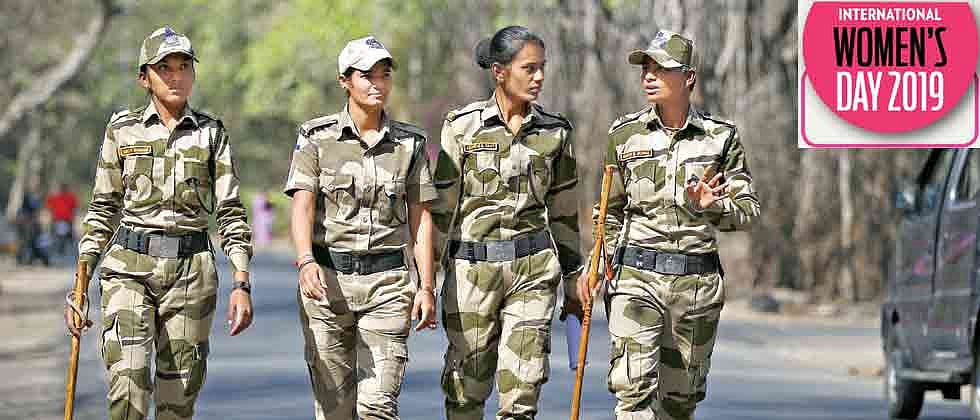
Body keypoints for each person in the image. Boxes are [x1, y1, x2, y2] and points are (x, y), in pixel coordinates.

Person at [65, 27, 254, 420]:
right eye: (164, 68)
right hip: (128, 270)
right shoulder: (122, 129)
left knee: (177, 402)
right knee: (128, 390)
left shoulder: (211, 133)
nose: (176, 76)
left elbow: (231, 211)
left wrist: (241, 281)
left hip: (191, 273)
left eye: (184, 66)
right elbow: (103, 207)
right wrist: (81, 278)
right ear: (143, 77)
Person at [580, 30, 760, 420]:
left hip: (695, 285)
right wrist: (600, 259)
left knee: (679, 404)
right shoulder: (624, 135)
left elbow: (747, 211)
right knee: (633, 392)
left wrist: (713, 206)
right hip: (635, 278)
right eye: (646, 67)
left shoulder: (721, 138)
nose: (649, 75)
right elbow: (608, 210)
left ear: (689, 78)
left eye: (661, 68)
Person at [432, 25, 583, 420]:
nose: (540, 77)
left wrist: (573, 278)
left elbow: (565, 211)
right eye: (529, 68)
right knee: (466, 391)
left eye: (542, 68)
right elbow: (443, 209)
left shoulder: (555, 132)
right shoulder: (461, 126)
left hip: (533, 271)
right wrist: (422, 280)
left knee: (523, 392)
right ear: (500, 72)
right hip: (471, 274)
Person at [284, 35, 438, 420]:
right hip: (327, 284)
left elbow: (421, 217)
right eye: (367, 75)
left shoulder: (410, 143)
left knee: (377, 408)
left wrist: (426, 286)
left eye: (384, 75)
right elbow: (302, 206)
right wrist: (305, 262)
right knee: (335, 410)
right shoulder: (316, 138)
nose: (377, 84)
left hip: (388, 285)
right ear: (344, 81)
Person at [46, 182, 79, 256]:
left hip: (65, 221)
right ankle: (56, 249)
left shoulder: (70, 197)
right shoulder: (57, 197)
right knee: (53, 235)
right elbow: (49, 207)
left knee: (69, 237)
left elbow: (75, 209)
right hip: (58, 221)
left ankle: (65, 250)